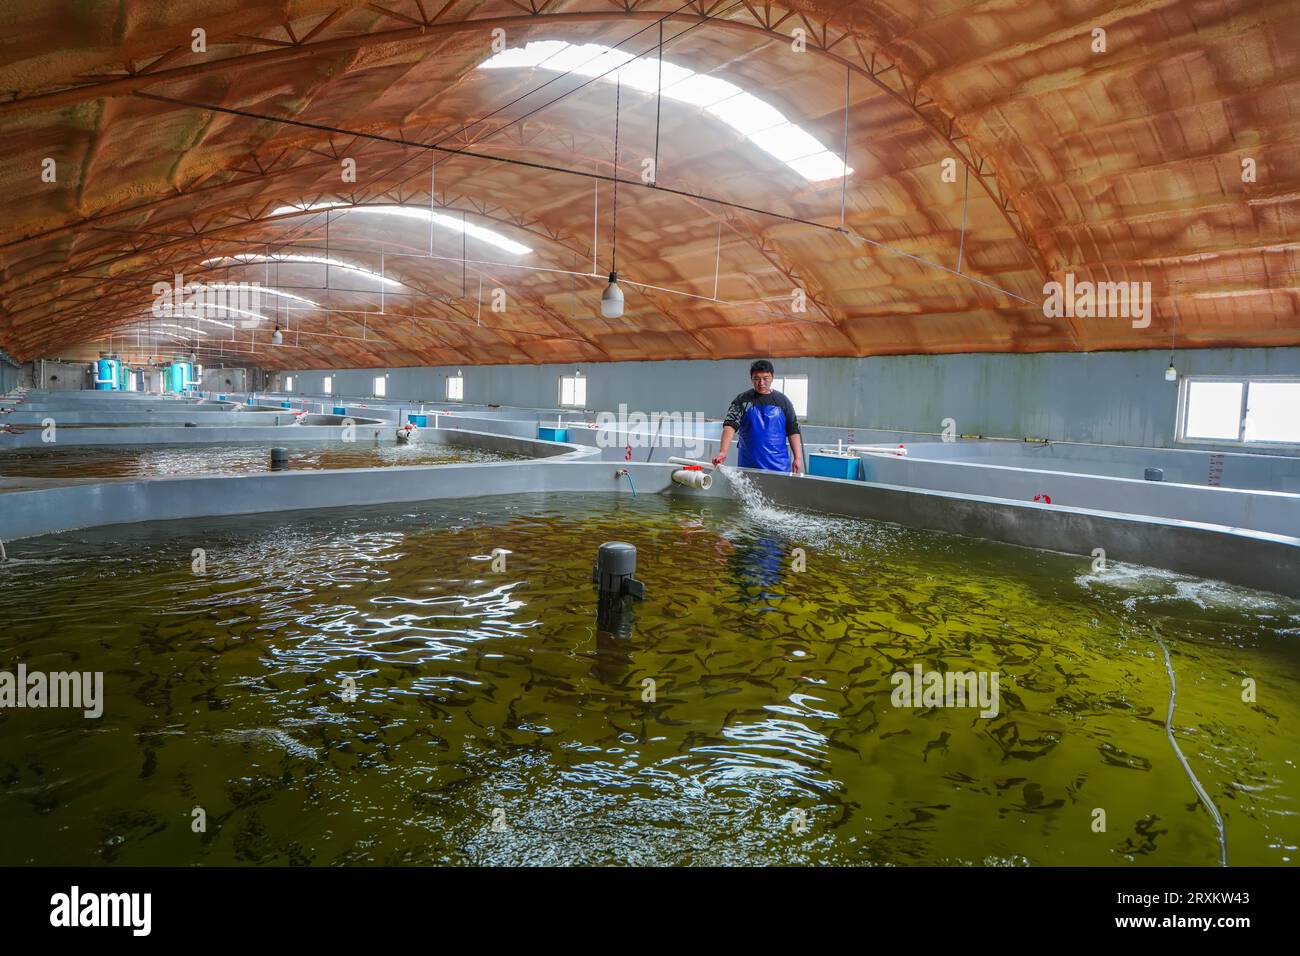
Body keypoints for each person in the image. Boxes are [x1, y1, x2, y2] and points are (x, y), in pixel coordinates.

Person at [711, 360, 803, 474]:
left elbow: (792, 429)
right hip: (748, 465)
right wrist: (723, 452)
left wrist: (797, 458)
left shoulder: (783, 401)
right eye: (756, 378)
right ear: (751, 379)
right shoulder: (742, 400)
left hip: (779, 467)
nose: (761, 383)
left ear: (772, 377)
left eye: (765, 378)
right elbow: (730, 425)